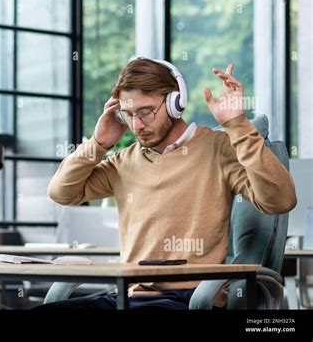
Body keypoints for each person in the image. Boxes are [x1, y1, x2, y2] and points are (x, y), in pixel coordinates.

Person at [36, 57, 296, 310]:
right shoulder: (123, 161)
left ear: (175, 102)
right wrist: (98, 143)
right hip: (126, 295)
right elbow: (61, 193)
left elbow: (281, 200)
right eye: (128, 115)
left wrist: (238, 126)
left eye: (146, 112)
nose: (137, 125)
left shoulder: (217, 149)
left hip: (188, 297)